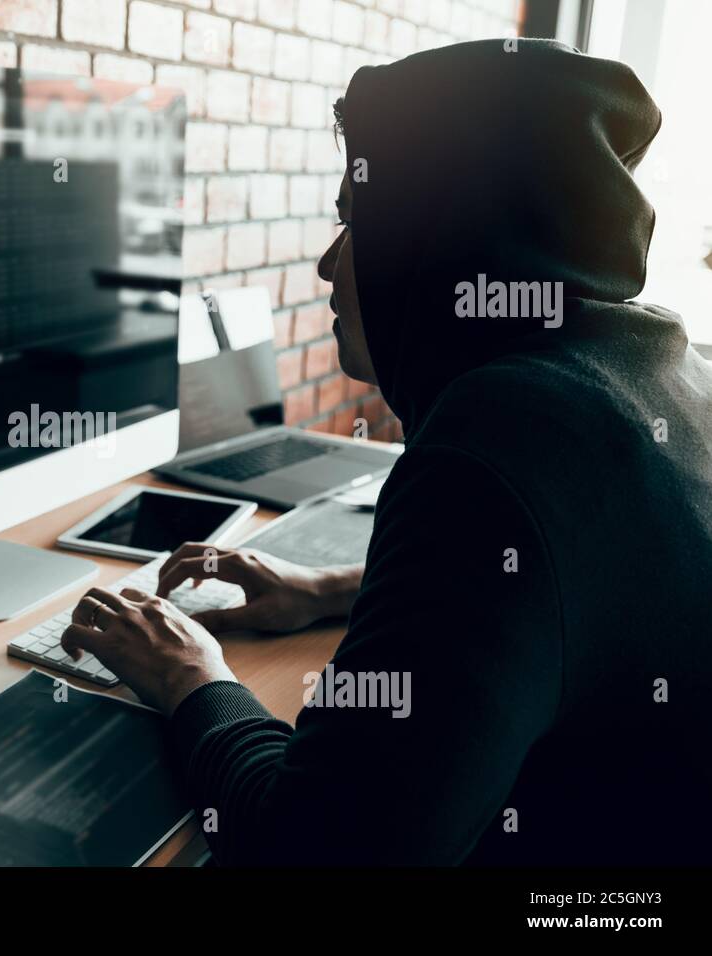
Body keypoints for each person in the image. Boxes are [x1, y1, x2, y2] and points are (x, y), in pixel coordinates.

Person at [60, 39, 712, 865]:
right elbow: (578, 591)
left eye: (358, 223)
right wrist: (331, 590)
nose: (329, 264)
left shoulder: (495, 440)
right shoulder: (658, 377)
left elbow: (315, 850)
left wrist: (189, 671)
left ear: (442, 241)